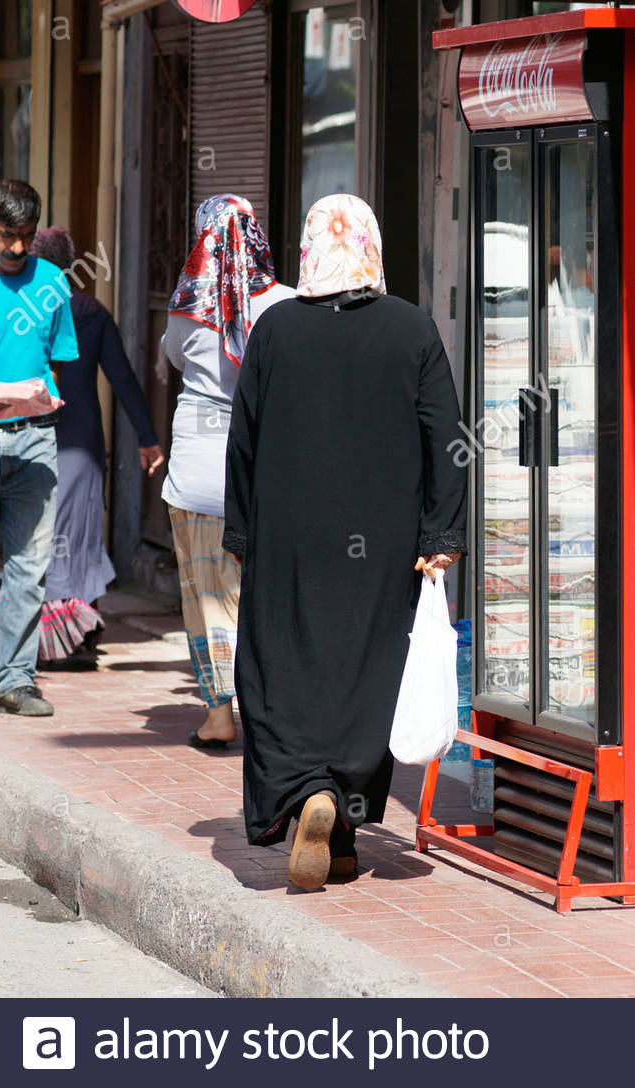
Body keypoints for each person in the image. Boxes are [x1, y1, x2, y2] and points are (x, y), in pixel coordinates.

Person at [224, 194, 466, 890]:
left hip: (288, 540)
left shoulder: (274, 330)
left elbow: (244, 438)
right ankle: (344, 825)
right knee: (365, 673)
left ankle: (309, 797)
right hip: (385, 541)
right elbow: (447, 438)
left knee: (284, 669)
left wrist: (241, 531)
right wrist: (441, 532)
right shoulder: (411, 329)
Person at [0, 227, 165, 668]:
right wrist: (148, 439)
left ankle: (12, 640)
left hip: (19, 437)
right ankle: (62, 639)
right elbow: (122, 379)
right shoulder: (91, 311)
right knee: (69, 538)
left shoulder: (13, 306)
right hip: (77, 444)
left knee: (19, 535)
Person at [162, 195, 293, 750]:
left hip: (197, 468)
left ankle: (219, 715)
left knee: (206, 594)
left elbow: (175, 360)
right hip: (264, 469)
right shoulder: (286, 303)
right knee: (260, 593)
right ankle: (270, 708)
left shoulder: (187, 307)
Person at [0, 180, 78, 716]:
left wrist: (37, 399)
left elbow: (56, 361)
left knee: (29, 562)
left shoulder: (54, 283)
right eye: (6, 236)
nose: (16, 248)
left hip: (34, 442)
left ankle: (13, 678)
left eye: (25, 236)